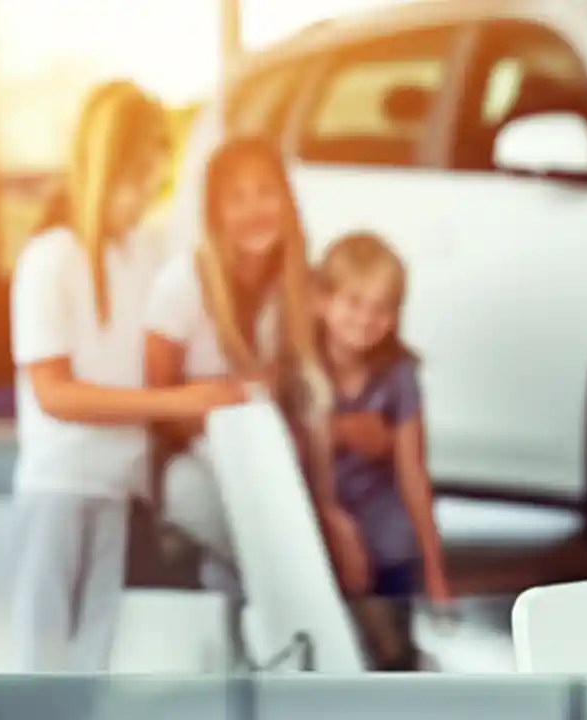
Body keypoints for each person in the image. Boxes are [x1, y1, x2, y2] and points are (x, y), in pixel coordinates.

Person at [9, 80, 248, 672]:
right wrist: (177, 402)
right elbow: (54, 395)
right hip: (59, 488)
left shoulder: (146, 253)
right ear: (102, 167)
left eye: (154, 181)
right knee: (43, 661)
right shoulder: (49, 258)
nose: (145, 196)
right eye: (136, 180)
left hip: (122, 489)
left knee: (98, 658)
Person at [143, 136, 368, 599]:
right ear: (215, 213)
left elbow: (307, 408)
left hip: (269, 464)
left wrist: (327, 509)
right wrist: (229, 401)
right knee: (266, 563)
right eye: (237, 199)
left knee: (299, 553)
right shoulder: (182, 284)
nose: (255, 210)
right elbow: (158, 411)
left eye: (266, 192)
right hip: (200, 467)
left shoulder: (295, 287)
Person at [313, 231, 453, 669]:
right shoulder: (302, 368)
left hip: (387, 539)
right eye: (353, 302)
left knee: (391, 654)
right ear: (323, 301)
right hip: (320, 529)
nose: (366, 319)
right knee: (334, 652)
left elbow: (413, 472)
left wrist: (435, 569)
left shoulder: (399, 375)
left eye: (382, 308)